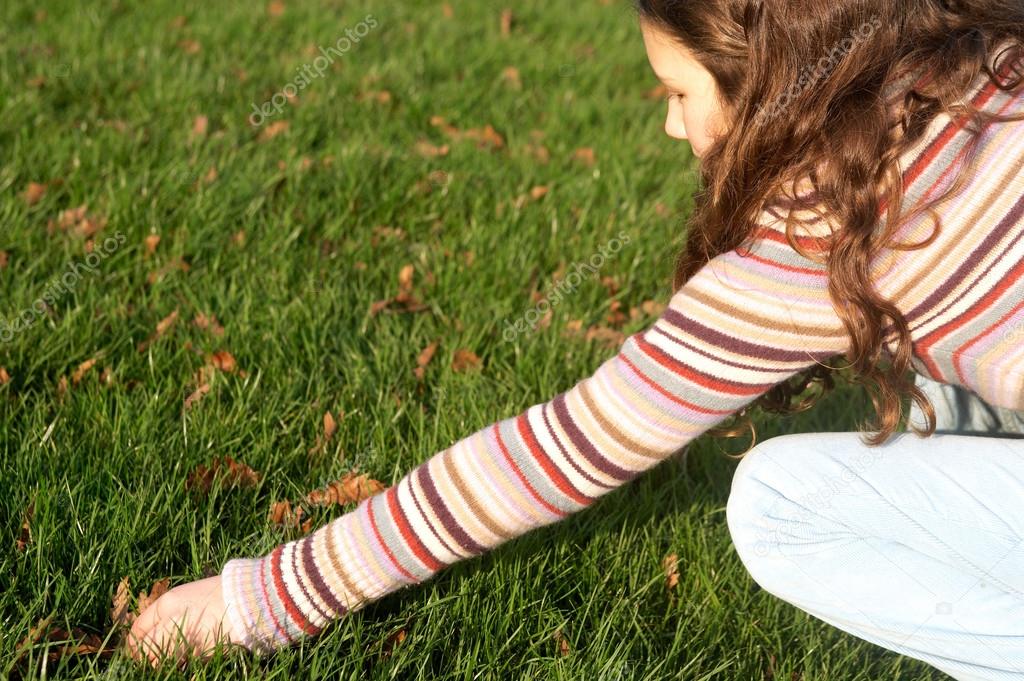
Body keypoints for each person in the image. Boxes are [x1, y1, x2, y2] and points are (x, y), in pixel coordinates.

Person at [127, 1, 1024, 678]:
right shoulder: (988, 65)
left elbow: (559, 449)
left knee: (777, 499)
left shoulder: (827, 233)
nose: (672, 124)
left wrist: (262, 599)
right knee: (929, 382)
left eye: (680, 91)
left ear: (764, 77)